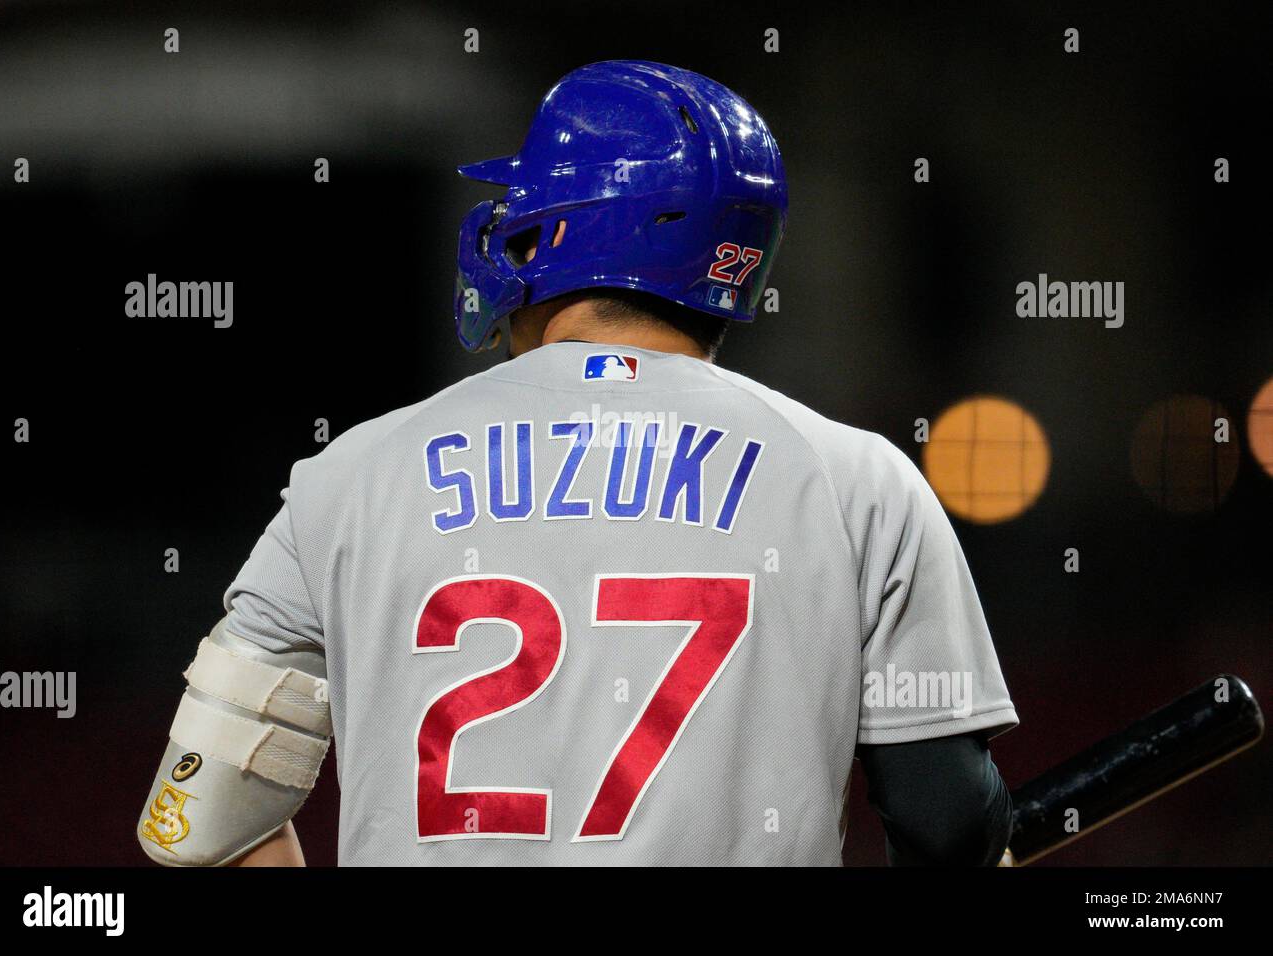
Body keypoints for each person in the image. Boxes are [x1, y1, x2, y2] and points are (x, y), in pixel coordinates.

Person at [137, 60, 1015, 867]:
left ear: (561, 232)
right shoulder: (861, 481)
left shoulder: (348, 476)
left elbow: (199, 822)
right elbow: (947, 823)